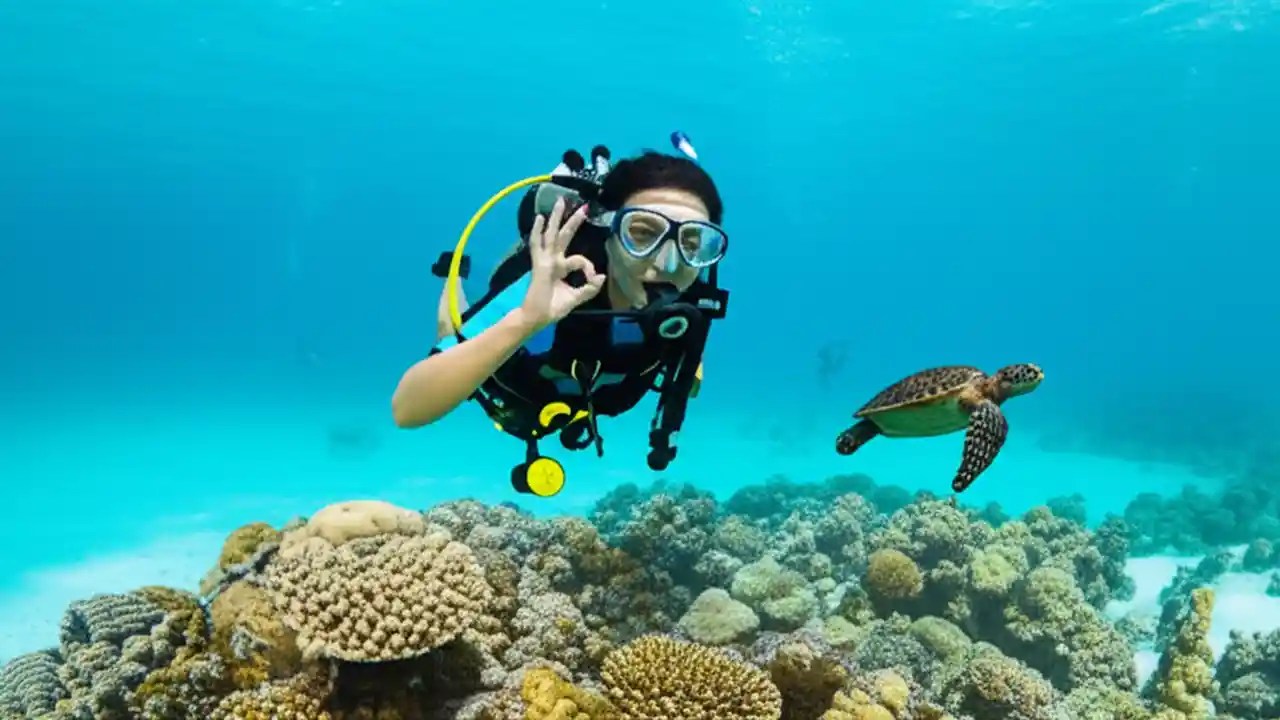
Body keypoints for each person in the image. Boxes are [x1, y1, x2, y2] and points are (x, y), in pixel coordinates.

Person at [391, 141, 730, 496]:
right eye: (642, 233)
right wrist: (526, 320)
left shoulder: (690, 303)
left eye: (693, 242)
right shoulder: (551, 285)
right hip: (515, 390)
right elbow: (407, 410)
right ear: (608, 235)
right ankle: (452, 277)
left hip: (586, 398)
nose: (667, 264)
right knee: (453, 325)